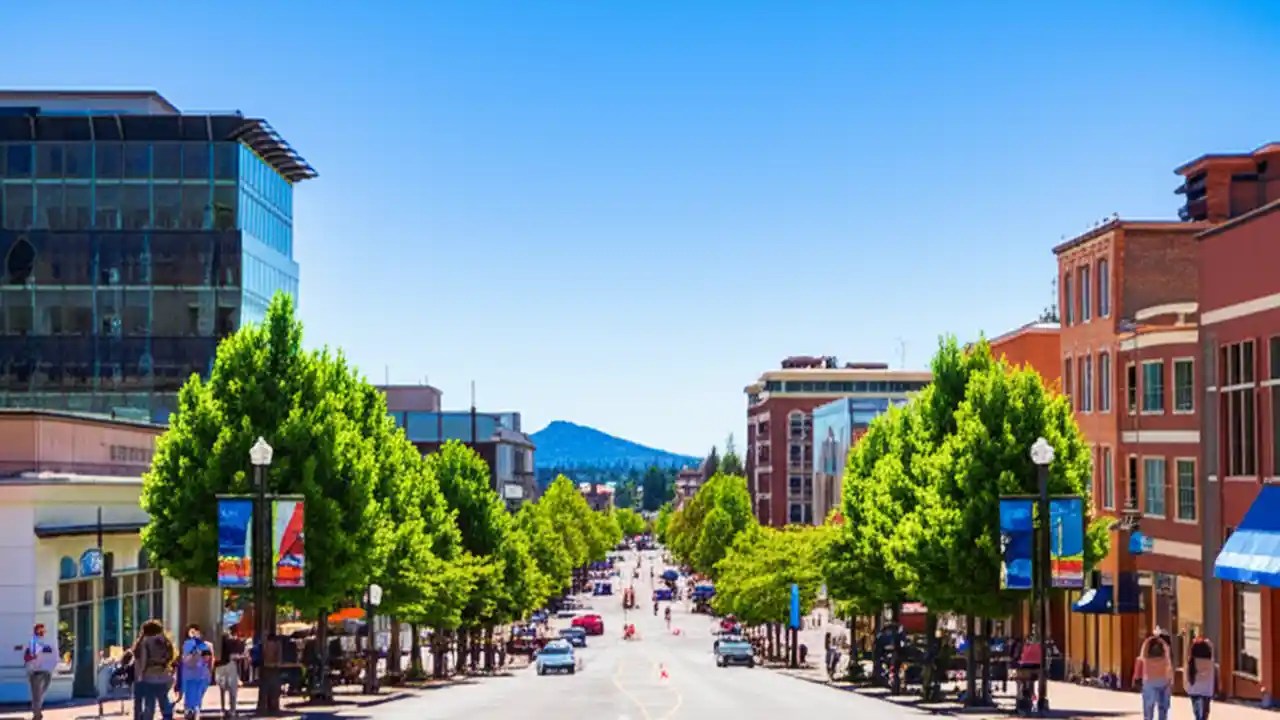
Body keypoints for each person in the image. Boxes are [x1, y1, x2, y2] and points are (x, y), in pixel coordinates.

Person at [134, 620, 176, 720]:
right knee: (163, 699)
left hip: (150, 675)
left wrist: (140, 674)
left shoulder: (146, 641)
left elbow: (144, 659)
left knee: (150, 703)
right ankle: (167, 716)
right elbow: (171, 656)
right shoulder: (165, 641)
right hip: (164, 675)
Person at [15, 623, 57, 720]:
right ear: (36, 631)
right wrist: (33, 658)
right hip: (36, 672)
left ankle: (37, 711)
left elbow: (54, 654)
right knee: (37, 695)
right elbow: (27, 656)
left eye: (43, 630)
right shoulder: (33, 642)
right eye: (39, 630)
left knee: (41, 694)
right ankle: (37, 714)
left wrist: (53, 665)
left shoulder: (48, 642)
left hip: (47, 671)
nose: (42, 632)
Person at [1133, 633, 1172, 720]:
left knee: (1149, 707)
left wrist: (1136, 677)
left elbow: (1141, 659)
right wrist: (1170, 681)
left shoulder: (1147, 644)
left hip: (1149, 679)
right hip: (1163, 679)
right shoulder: (1164, 646)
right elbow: (1168, 664)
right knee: (1163, 707)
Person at [179, 625, 214, 720]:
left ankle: (194, 712)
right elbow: (185, 660)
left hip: (201, 675)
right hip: (191, 675)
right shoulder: (187, 644)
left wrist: (210, 672)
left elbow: (208, 659)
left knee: (197, 696)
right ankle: (190, 712)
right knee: (191, 696)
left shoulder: (206, 645)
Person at [215, 630, 245, 718]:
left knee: (222, 690)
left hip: (219, 667)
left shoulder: (217, 644)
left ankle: (223, 708)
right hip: (230, 666)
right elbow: (235, 654)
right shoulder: (231, 643)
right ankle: (232, 710)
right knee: (233, 690)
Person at [1185, 637, 1216, 720]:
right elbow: (1212, 649)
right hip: (1206, 690)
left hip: (1194, 689)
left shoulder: (1192, 661)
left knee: (1197, 713)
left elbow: (1188, 676)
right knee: (1205, 714)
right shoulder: (1210, 662)